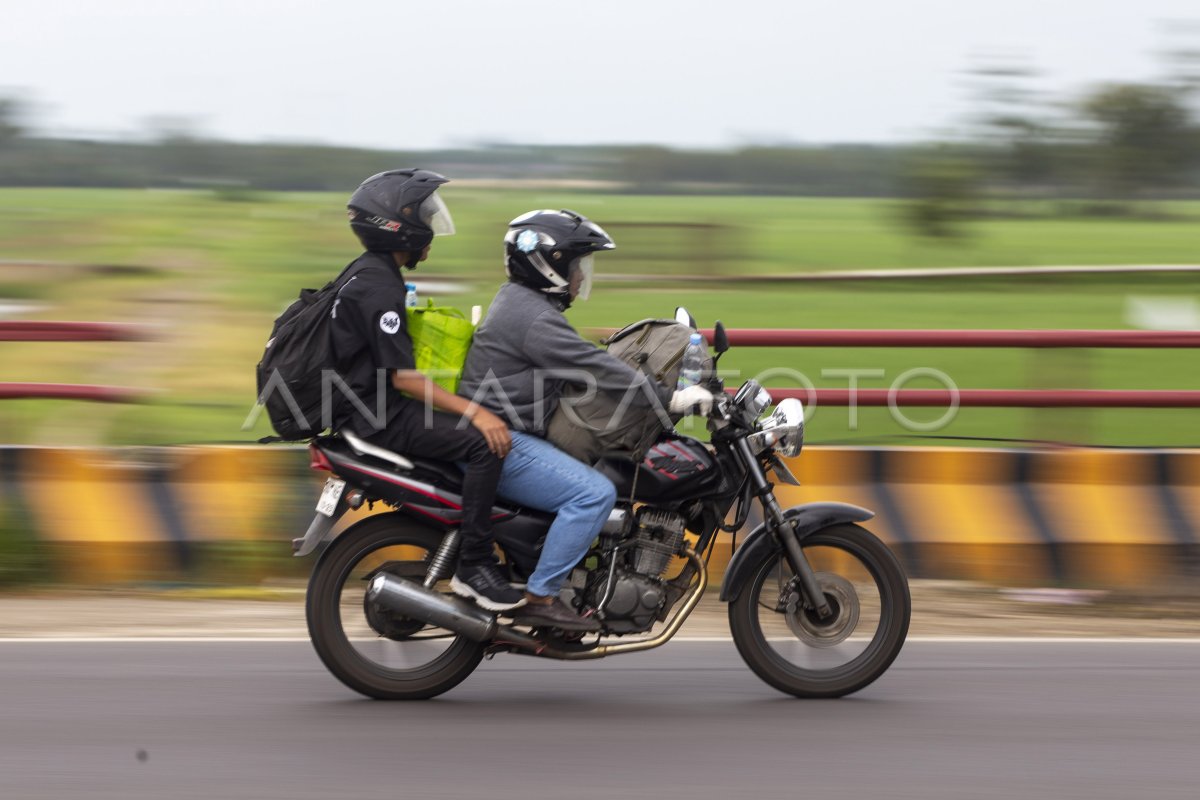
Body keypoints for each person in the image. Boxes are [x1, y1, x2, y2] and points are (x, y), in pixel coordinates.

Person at [458, 209, 714, 631]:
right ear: (548, 265)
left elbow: (584, 366)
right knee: (593, 495)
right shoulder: (534, 318)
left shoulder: (521, 303)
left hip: (502, 434)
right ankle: (541, 597)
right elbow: (597, 367)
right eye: (576, 265)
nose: (581, 277)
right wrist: (672, 397)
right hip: (503, 442)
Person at [329, 169, 524, 612]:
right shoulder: (381, 288)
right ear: (398, 225)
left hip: (364, 406)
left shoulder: (366, 273)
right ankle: (475, 563)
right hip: (378, 415)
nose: (432, 230)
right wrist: (478, 413)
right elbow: (404, 378)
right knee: (483, 445)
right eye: (424, 218)